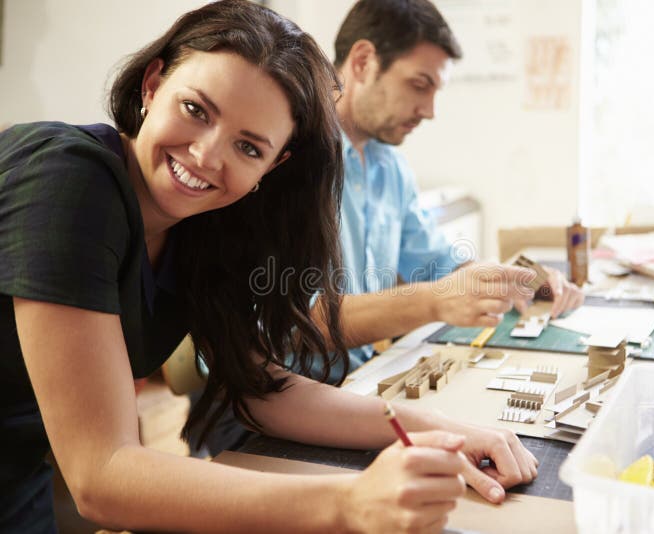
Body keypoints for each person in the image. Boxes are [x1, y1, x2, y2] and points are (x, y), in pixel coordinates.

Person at [0, 1, 538, 532]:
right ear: (152, 83)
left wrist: (440, 430)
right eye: (196, 110)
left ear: (275, 165)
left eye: (249, 147)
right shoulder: (68, 183)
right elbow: (102, 474)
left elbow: (258, 385)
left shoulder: (207, 224)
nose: (209, 157)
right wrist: (348, 501)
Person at [328, 0, 585, 370]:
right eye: (420, 85)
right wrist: (432, 300)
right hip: (280, 399)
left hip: (358, 378)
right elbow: (290, 324)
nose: (430, 110)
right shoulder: (294, 159)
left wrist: (520, 280)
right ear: (363, 62)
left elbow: (439, 266)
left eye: (436, 91)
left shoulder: (391, 169)